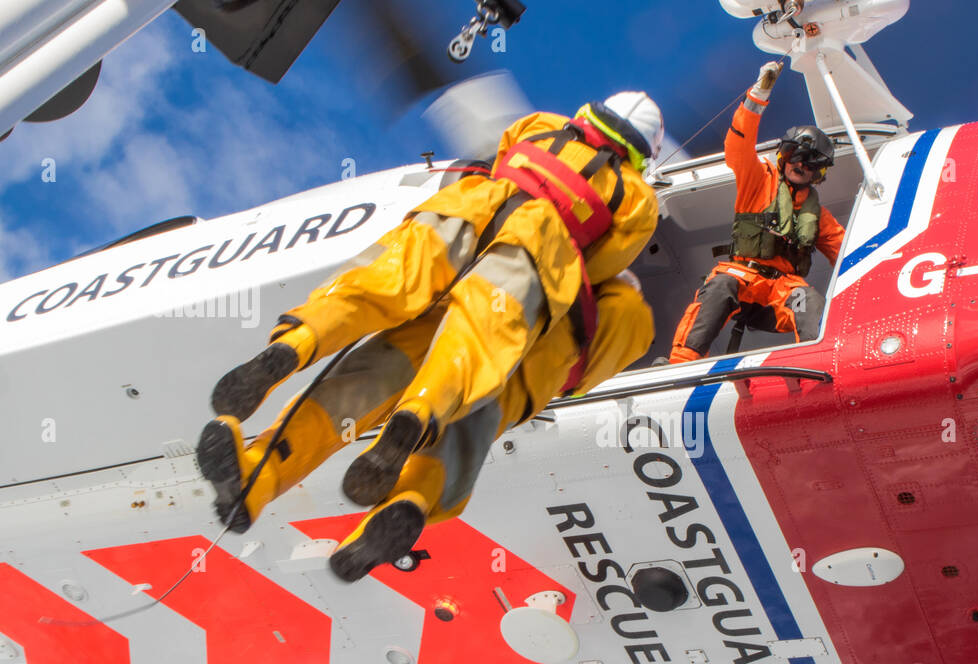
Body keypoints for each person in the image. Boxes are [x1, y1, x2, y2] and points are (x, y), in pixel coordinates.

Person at [197, 92, 663, 581]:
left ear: (590, 112)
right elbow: (603, 263)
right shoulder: (635, 201)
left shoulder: (538, 124)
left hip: (463, 213)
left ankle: (275, 405)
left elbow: (501, 156)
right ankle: (415, 455)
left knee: (373, 316)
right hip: (531, 272)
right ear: (643, 152)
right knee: (473, 378)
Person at [669, 61, 844, 364]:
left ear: (819, 174)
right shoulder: (757, 179)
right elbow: (738, 144)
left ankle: (819, 363)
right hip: (740, 275)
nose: (799, 165)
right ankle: (681, 365)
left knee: (811, 302)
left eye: (811, 163)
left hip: (783, 289)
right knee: (719, 285)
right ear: (782, 155)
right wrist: (759, 94)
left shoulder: (819, 217)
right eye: (794, 155)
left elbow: (847, 254)